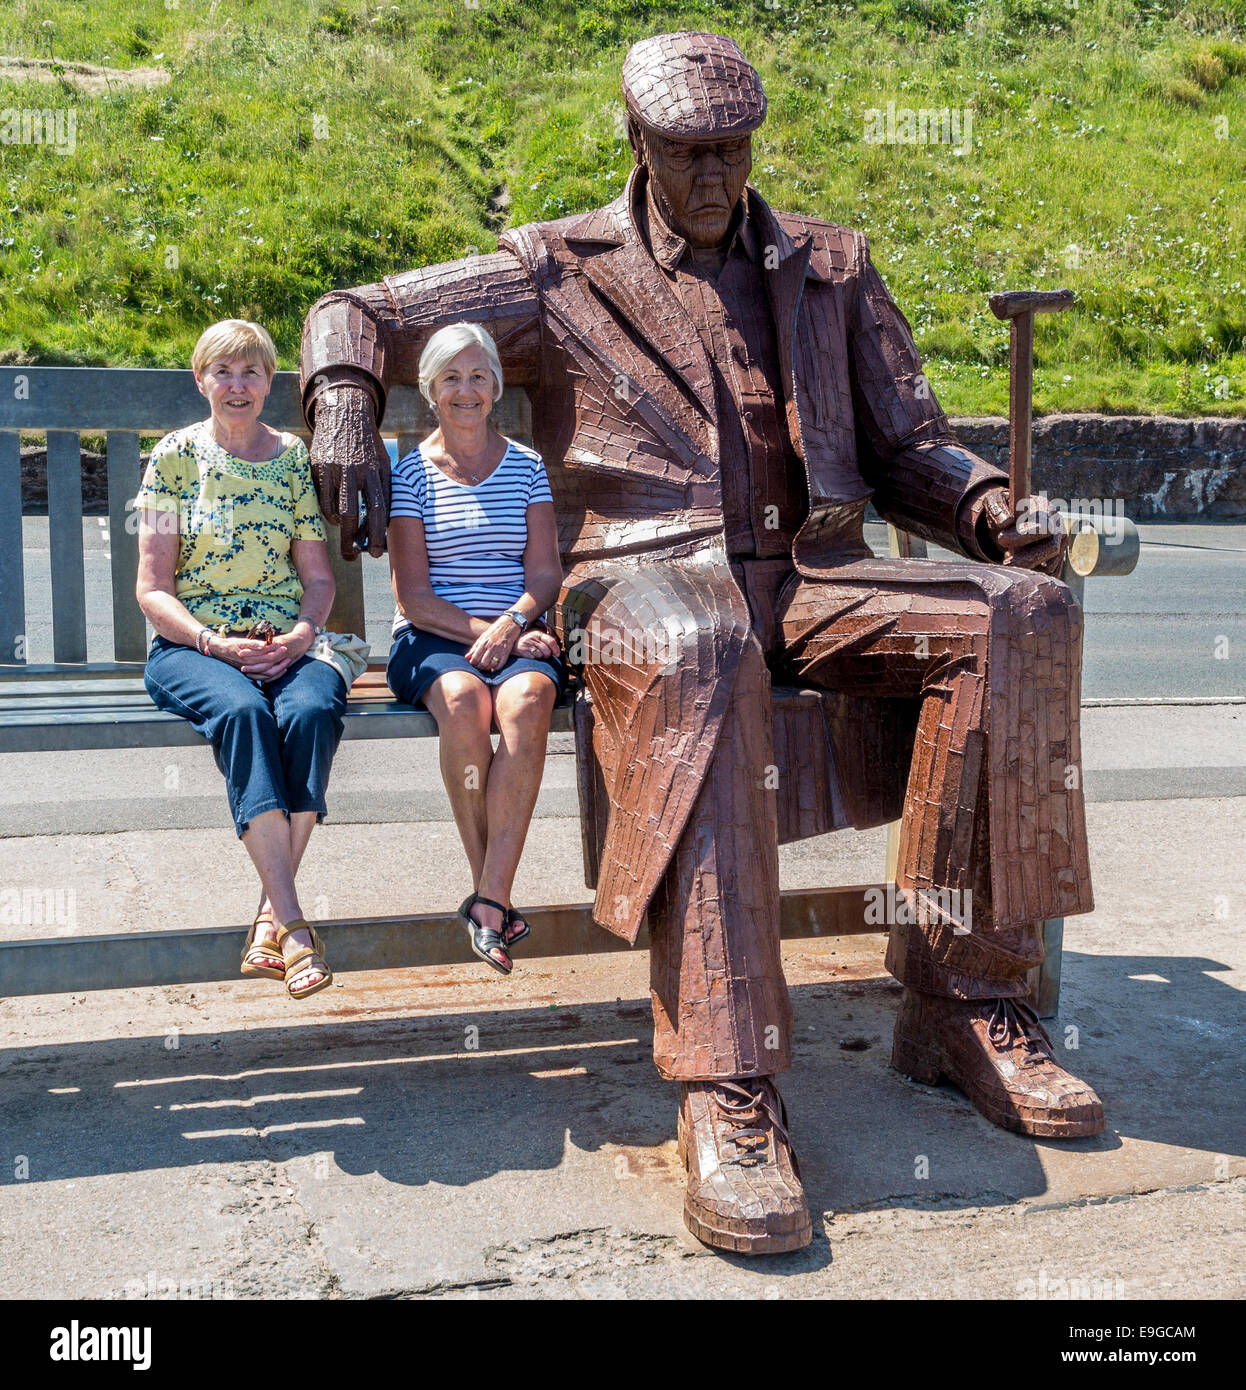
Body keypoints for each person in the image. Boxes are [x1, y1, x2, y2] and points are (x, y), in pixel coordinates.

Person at [298, 32, 1101, 1254]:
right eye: (689, 153)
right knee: (699, 646)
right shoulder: (555, 268)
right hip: (641, 581)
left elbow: (910, 442)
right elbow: (360, 309)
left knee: (1020, 615)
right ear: (640, 144)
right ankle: (727, 1078)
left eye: (732, 149)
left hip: (815, 572)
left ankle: (964, 991)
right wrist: (347, 399)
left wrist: (990, 505)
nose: (716, 175)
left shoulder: (829, 268)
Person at [136, 319, 345, 1000]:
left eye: (251, 371)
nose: (237, 385)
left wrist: (304, 634)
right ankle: (291, 923)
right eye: (222, 372)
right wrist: (210, 643)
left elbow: (317, 578)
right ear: (200, 381)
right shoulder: (173, 458)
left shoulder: (291, 458)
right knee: (245, 715)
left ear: (269, 383)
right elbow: (153, 589)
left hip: (283, 639)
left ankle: (266, 917)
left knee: (313, 709)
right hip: (193, 646)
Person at [385, 322, 564, 974]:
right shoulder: (411, 473)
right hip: (434, 637)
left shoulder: (525, 467)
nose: (467, 390)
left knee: (530, 697)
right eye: (452, 378)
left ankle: (488, 902)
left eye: (478, 376)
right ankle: (492, 895)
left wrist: (512, 622)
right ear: (432, 390)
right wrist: (483, 631)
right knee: (463, 700)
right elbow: (414, 596)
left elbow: (545, 572)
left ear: (495, 387)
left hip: (516, 631)